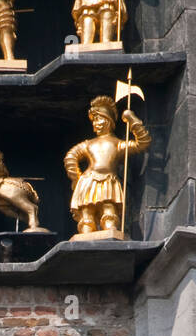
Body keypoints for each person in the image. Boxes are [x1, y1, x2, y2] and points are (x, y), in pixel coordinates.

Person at [63, 95, 150, 237]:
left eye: (98, 119)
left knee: (109, 211)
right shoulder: (88, 144)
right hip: (88, 180)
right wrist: (76, 178)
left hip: (109, 180)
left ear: (108, 120)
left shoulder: (118, 144)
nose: (95, 124)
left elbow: (143, 142)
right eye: (93, 120)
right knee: (87, 213)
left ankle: (110, 233)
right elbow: (71, 156)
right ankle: (86, 234)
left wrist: (132, 119)